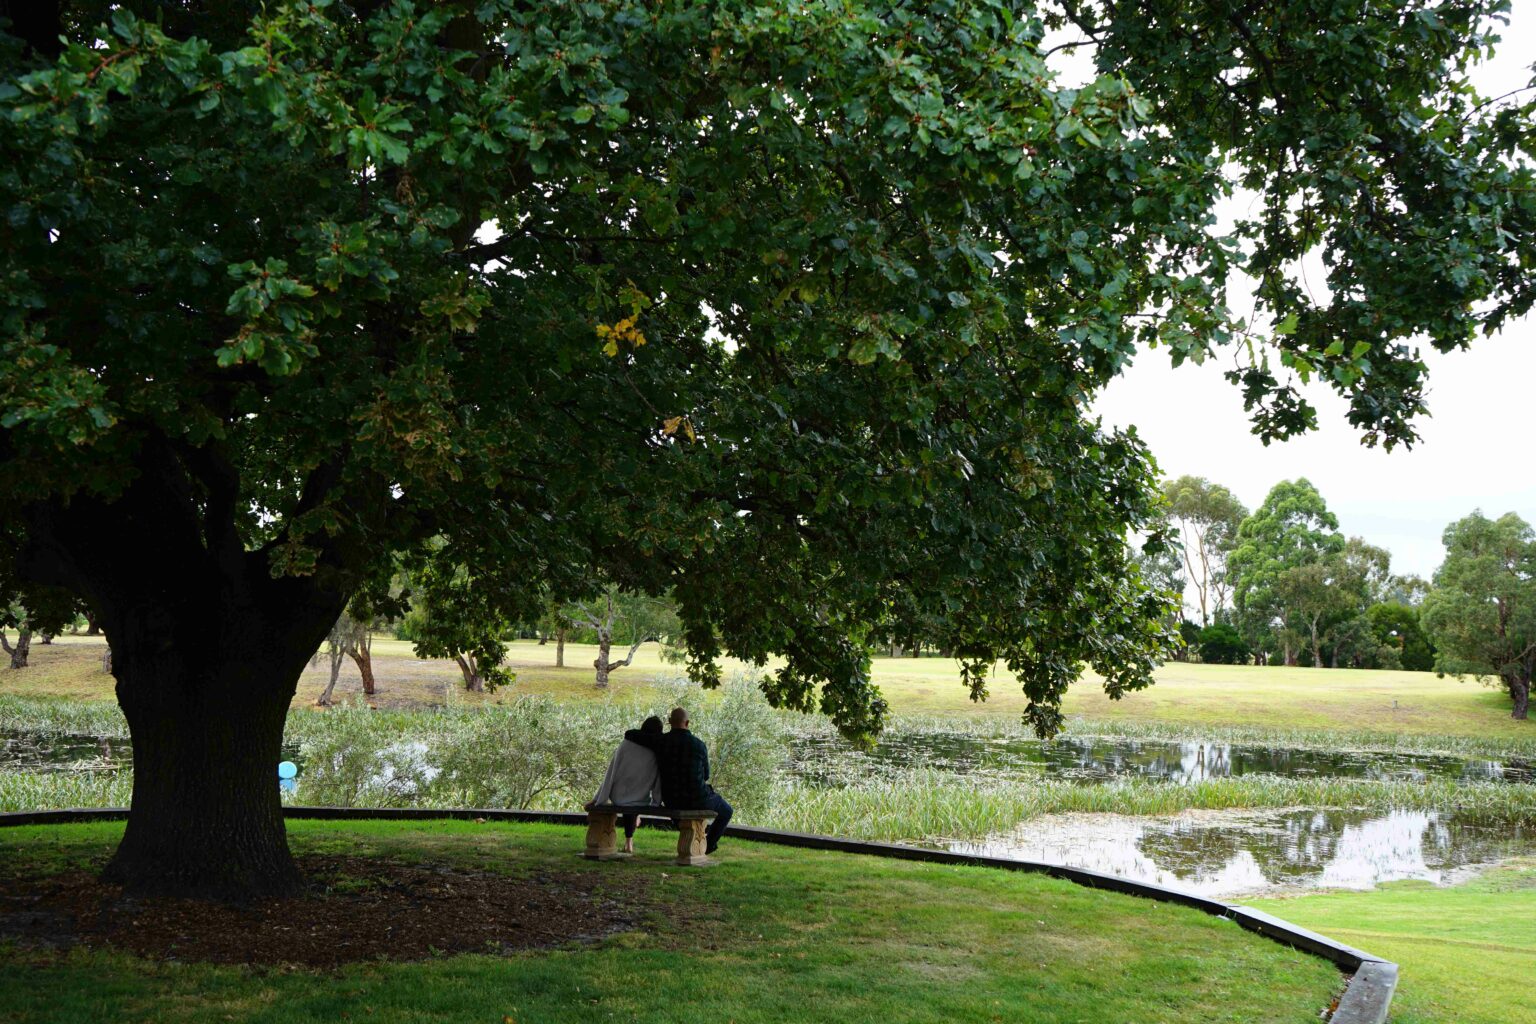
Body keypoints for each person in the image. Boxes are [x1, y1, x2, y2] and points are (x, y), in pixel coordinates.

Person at [626, 707, 733, 855]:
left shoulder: (660, 741)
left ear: (670, 721)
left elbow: (630, 733)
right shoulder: (699, 745)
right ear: (687, 723)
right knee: (726, 811)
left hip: (672, 800)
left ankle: (697, 843)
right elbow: (706, 776)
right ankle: (709, 845)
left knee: (681, 818)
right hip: (698, 799)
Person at [588, 715, 663, 854]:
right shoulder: (656, 750)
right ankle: (629, 841)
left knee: (629, 801)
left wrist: (598, 797)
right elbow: (657, 779)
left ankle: (629, 842)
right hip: (640, 798)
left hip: (618, 796)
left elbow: (611, 771)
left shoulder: (626, 743)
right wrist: (656, 802)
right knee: (634, 802)